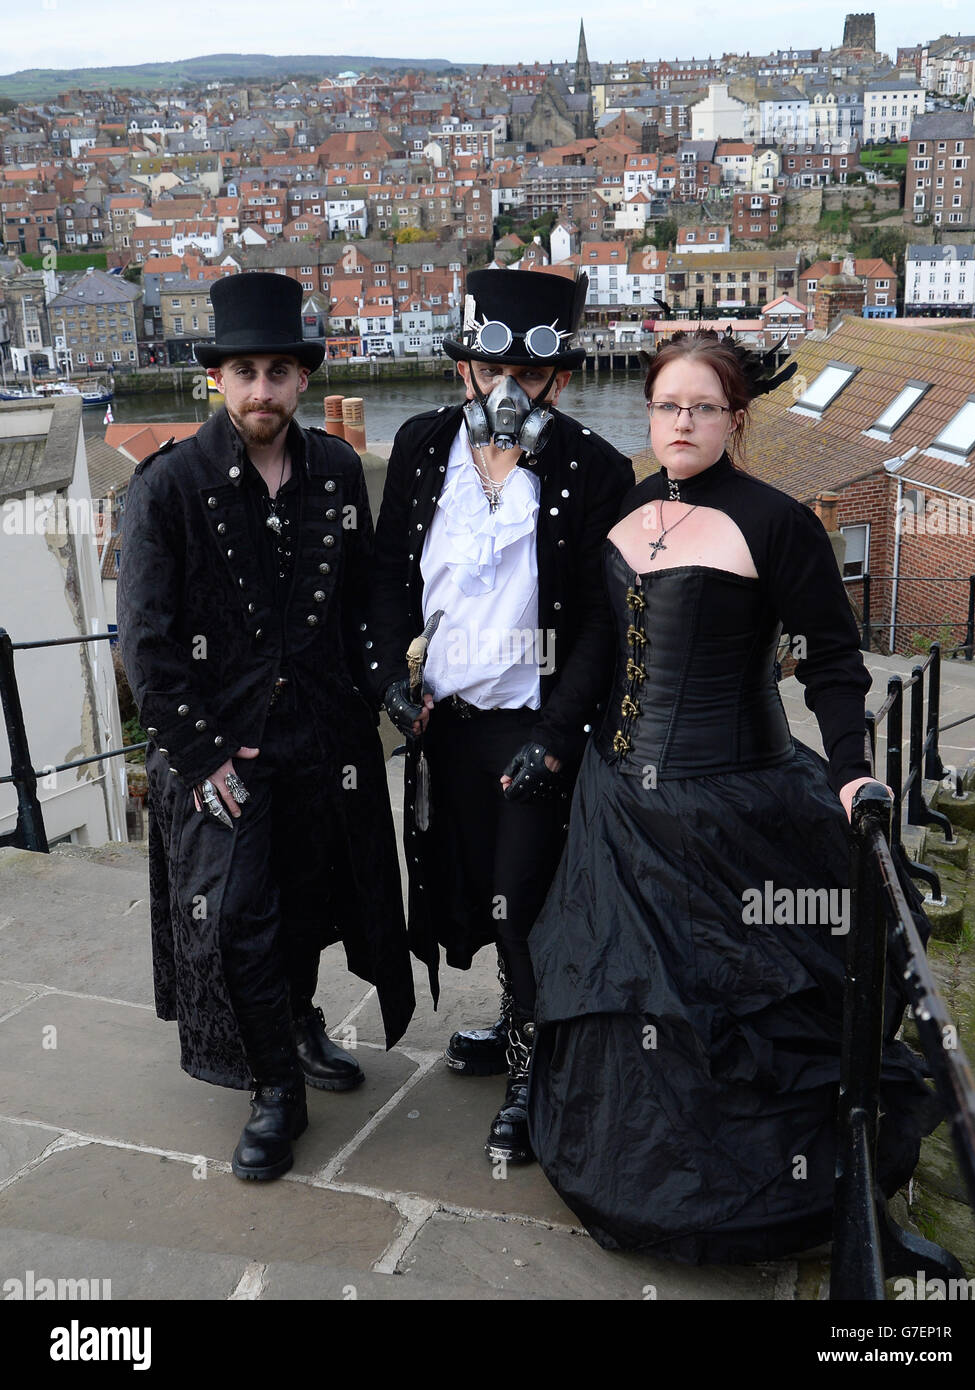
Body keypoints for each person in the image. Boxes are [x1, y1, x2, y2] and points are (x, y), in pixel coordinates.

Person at [526, 330, 938, 1261]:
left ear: (734, 418)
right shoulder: (630, 509)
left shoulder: (776, 522)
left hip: (734, 803)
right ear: (649, 412)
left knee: (748, 1009)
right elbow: (599, 647)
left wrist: (850, 770)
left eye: (703, 407)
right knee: (629, 1004)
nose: (683, 422)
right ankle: (638, 1186)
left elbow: (834, 660)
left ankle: (821, 1206)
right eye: (668, 405)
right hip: (622, 807)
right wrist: (553, 743)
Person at [117, 271, 414, 1182]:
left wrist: (386, 687)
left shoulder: (332, 468)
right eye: (243, 371)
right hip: (220, 745)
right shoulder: (168, 486)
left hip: (322, 736)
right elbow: (145, 640)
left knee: (313, 897)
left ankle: (299, 1022)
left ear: (300, 380)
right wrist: (204, 753)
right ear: (219, 379)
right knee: (238, 914)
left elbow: (363, 599)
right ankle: (273, 1089)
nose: (260, 390)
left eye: (277, 372)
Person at [369, 268, 634, 1164]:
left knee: (522, 904)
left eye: (531, 371)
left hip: (531, 727)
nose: (509, 389)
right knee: (467, 888)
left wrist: (558, 740)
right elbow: (387, 582)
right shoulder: (417, 445)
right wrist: (390, 678)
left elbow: (601, 623)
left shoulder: (597, 469)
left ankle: (531, 1075)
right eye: (493, 368)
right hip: (444, 725)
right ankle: (517, 1029)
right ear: (463, 371)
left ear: (560, 379)